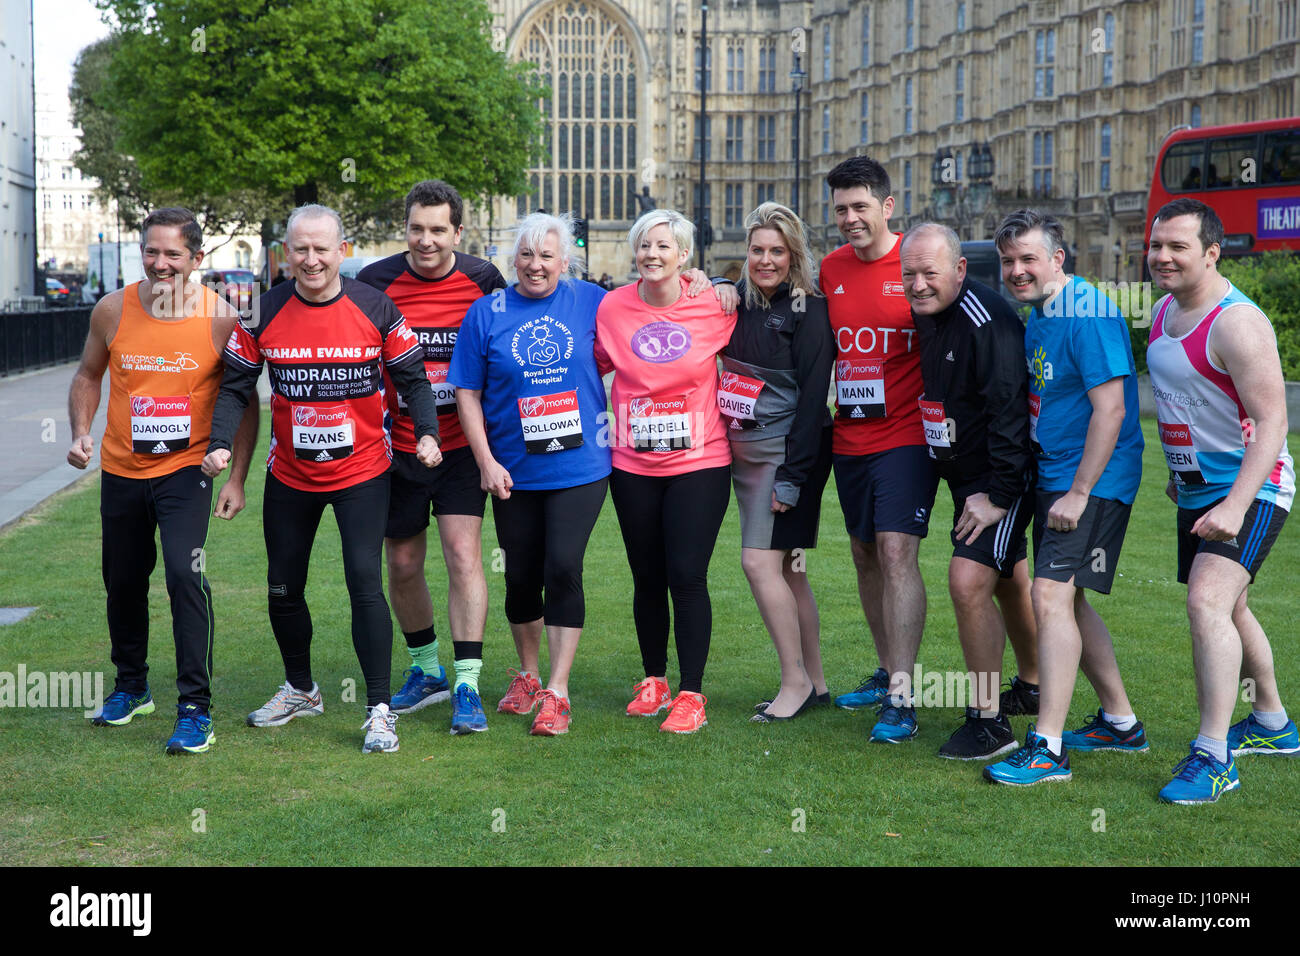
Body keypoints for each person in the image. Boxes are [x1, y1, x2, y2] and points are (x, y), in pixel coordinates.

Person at [203, 204, 442, 755]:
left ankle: (380, 710)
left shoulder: (375, 307)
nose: (311, 260)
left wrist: (426, 433)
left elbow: (414, 379)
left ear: (341, 251)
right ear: (286, 252)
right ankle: (301, 688)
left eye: (321, 249)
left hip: (362, 471)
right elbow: (236, 388)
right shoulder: (262, 312)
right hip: (291, 474)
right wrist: (219, 447)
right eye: (300, 249)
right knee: (283, 587)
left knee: (364, 581)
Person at [67, 206, 258, 755]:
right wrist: (81, 431)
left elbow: (243, 402)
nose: (160, 262)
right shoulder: (112, 309)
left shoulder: (222, 318)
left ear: (196, 259)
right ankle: (132, 687)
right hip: (122, 468)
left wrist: (236, 477)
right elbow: (87, 373)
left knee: (182, 573)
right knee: (122, 579)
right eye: (152, 251)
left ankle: (195, 708)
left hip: (188, 470)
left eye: (173, 253)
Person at [984, 210, 1149, 786]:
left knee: (1048, 596)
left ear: (1058, 258)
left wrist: (1079, 492)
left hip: (1092, 480)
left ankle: (1048, 748)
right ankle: (1121, 723)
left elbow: (1114, 410)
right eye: (1008, 262)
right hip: (1057, 475)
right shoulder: (1042, 315)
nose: (1017, 271)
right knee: (1070, 601)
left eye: (1029, 258)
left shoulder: (1089, 310)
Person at [1145, 198, 1296, 804]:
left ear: (1212, 251)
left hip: (1253, 488)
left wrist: (1236, 503)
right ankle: (1272, 724)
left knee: (1207, 602)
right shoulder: (1161, 313)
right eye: (1156, 245)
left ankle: (1213, 756)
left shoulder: (1237, 323)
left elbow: (1273, 420)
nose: (1162, 257)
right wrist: (1182, 472)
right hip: (1197, 490)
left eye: (1178, 246)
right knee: (1231, 608)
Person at [448, 212, 610, 737]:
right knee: (520, 577)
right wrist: (485, 461)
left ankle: (558, 692)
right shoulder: (485, 312)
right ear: (512, 259)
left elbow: (656, 306)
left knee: (562, 566)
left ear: (566, 261)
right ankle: (528, 675)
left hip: (580, 465)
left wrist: (713, 281)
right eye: (526, 255)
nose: (535, 265)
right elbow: (466, 391)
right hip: (511, 471)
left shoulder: (592, 300)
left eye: (547, 256)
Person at [357, 181, 505, 735]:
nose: (426, 240)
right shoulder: (374, 281)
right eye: (417, 228)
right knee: (402, 563)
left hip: (464, 446)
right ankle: (427, 670)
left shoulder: (484, 280)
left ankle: (467, 683)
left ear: (457, 233)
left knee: (465, 557)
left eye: (438, 229)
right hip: (396, 448)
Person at [595, 208, 740, 734]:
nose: (652, 254)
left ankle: (692, 693)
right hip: (632, 464)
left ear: (684, 256)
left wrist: (723, 280)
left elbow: (762, 322)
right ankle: (653, 681)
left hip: (699, 462)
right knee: (646, 577)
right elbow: (587, 366)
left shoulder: (713, 305)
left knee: (687, 575)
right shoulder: (611, 308)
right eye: (644, 246)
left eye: (664, 246)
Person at [901, 222, 1037, 760]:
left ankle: (988, 722)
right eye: (908, 274)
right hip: (966, 475)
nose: (918, 284)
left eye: (929, 273)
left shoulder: (989, 321)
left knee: (967, 580)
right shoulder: (927, 312)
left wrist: (997, 496)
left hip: (1000, 480)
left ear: (959, 270)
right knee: (1007, 580)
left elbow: (1009, 414)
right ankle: (1031, 685)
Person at [721, 202, 834, 722]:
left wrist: (792, 478)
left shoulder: (810, 310)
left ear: (794, 255)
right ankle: (815, 679)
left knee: (757, 562)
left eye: (777, 251)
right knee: (790, 570)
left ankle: (794, 684)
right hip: (744, 456)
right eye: (757, 250)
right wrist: (713, 283)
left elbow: (814, 402)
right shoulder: (737, 302)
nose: (765, 260)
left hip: (788, 454)